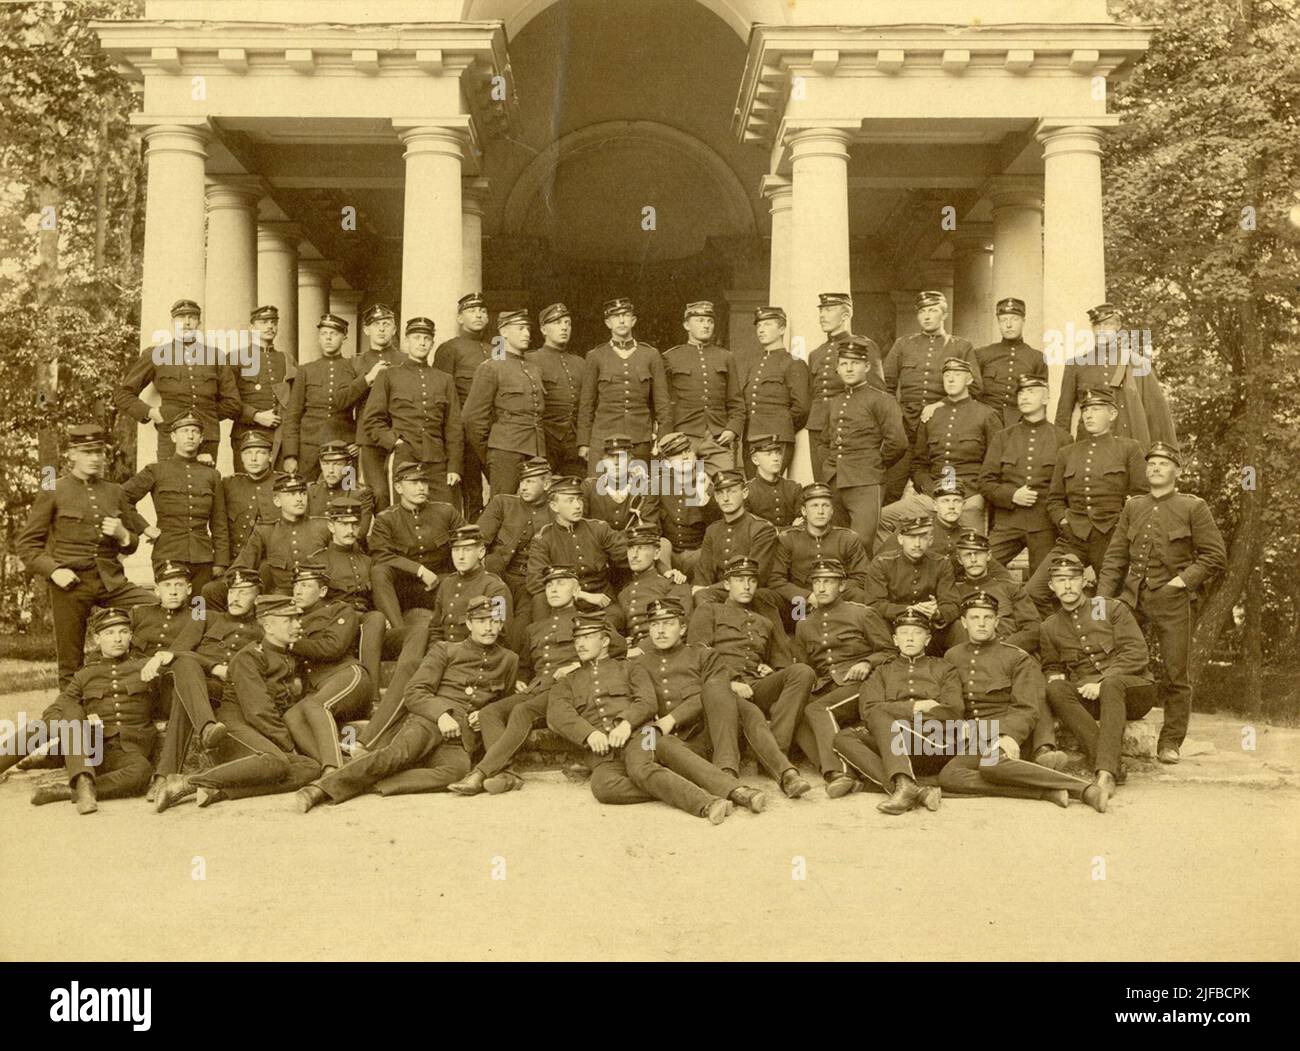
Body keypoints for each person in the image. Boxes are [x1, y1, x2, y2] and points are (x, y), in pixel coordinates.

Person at [294, 595, 517, 808]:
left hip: (462, 735)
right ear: (469, 624)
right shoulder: (446, 650)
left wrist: (485, 712)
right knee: (395, 756)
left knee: (456, 772)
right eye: (481, 621)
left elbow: (502, 704)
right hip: (428, 721)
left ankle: (370, 783)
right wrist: (441, 715)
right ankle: (319, 789)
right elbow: (415, 691)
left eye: (494, 621)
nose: (488, 627)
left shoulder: (508, 660)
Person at [1097, 441, 1227, 764]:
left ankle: (1170, 743)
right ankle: (1113, 731)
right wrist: (1101, 598)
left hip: (1172, 600)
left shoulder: (1192, 507)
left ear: (1177, 472)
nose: (1155, 468)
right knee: (1116, 660)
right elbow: (1115, 556)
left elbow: (1215, 556)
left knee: (1175, 673)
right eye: (1151, 464)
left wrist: (1181, 581)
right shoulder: (1133, 507)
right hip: (1132, 598)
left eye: (1163, 464)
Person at [447, 566, 626, 797]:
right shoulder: (534, 629)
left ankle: (480, 773)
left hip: (567, 689)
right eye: (550, 585)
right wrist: (521, 680)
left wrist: (576, 666)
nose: (553, 589)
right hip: (537, 688)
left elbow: (620, 647)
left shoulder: (589, 622)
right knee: (489, 712)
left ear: (576, 590)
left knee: (522, 711)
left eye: (561, 584)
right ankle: (506, 773)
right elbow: (525, 666)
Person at [544, 614, 737, 824]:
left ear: (605, 641)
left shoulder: (629, 668)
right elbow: (556, 712)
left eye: (588, 637)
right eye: (577, 639)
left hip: (643, 734)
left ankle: (706, 803)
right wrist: (589, 734)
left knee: (640, 770)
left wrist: (626, 723)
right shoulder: (568, 681)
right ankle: (678, 784)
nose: (580, 644)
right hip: (603, 752)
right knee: (602, 788)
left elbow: (646, 701)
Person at [16, 423, 154, 689]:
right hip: (70, 585)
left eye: (99, 452)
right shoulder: (54, 490)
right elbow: (27, 544)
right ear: (72, 454)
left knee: (153, 609)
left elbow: (131, 545)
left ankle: (131, 686)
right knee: (70, 662)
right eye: (87, 452)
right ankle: (72, 719)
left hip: (111, 581)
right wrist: (54, 570)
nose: (94, 458)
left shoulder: (115, 492)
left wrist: (124, 535)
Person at [154, 594, 322, 811]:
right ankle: (186, 783)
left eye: (297, 619)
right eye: (289, 620)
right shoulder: (249, 657)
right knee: (277, 761)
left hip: (261, 735)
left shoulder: (289, 657)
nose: (297, 625)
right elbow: (258, 711)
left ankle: (222, 790)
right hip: (234, 729)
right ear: (269, 627)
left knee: (311, 767)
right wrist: (289, 745)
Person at [686, 557, 815, 798]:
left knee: (802, 672)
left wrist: (771, 670)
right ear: (726, 585)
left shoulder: (764, 621)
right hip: (718, 687)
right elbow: (697, 654)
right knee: (750, 712)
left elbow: (781, 661)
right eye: (739, 580)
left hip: (754, 685)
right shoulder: (709, 610)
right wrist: (731, 681)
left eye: (752, 581)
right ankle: (783, 769)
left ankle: (778, 745)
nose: (746, 586)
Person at [627, 599, 770, 811]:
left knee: (717, 693)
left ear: (683, 628)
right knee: (662, 743)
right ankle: (738, 792)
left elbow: (713, 693)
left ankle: (724, 781)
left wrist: (672, 718)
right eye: (655, 625)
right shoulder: (639, 664)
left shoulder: (702, 654)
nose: (661, 631)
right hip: (675, 741)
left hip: (707, 735)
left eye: (668, 624)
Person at [1041, 554, 1157, 812]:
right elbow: (1052, 666)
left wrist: (1103, 680)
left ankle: (1105, 773)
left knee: (1112, 685)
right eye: (1060, 580)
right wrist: (1058, 680)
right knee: (1055, 689)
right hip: (1092, 695)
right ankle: (1114, 762)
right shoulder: (1050, 626)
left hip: (1134, 690)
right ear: (1051, 586)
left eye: (1073, 579)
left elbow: (1137, 653)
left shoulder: (1109, 608)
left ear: (1084, 581)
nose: (1068, 586)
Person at [14, 608, 157, 814]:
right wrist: (70, 728)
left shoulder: (146, 667)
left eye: (123, 632)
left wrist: (162, 657)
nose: (117, 639)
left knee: (141, 772)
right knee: (67, 711)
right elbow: (55, 709)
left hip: (128, 751)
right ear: (97, 638)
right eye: (109, 633)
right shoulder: (85, 675)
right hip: (91, 747)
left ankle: (70, 790)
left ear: (131, 635)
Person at [1026, 387, 1148, 615]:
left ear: (1112, 415)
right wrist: (1063, 521)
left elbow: (1140, 498)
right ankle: (1064, 638)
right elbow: (1054, 499)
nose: (1089, 415)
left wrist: (1122, 531)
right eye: (1086, 410)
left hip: (1111, 540)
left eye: (1096, 409)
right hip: (1073, 539)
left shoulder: (1128, 448)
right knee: (1034, 591)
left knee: (1111, 603)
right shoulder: (1067, 453)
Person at [147, 568, 262, 799]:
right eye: (232, 592)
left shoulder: (262, 629)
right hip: (195, 681)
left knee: (185, 685)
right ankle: (207, 727)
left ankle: (163, 777)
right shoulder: (205, 615)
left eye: (243, 592)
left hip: (226, 691)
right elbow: (178, 650)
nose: (235, 598)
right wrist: (212, 667)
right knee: (185, 665)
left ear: (257, 598)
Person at [792, 558, 894, 797]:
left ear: (842, 585)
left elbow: (890, 652)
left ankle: (838, 772)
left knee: (817, 710)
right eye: (817, 582)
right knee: (795, 713)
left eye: (828, 582)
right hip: (829, 686)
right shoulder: (804, 625)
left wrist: (867, 662)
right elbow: (806, 667)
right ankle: (844, 773)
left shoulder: (862, 614)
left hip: (864, 683)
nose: (822, 588)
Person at [877, 357, 999, 541]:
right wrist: (930, 490)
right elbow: (918, 464)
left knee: (971, 550)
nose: (950, 379)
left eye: (957, 375)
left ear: (970, 380)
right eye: (947, 375)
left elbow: (996, 464)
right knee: (882, 519)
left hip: (969, 497)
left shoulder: (986, 415)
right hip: (932, 497)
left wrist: (981, 495)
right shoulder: (931, 415)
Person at [881, 290, 982, 502]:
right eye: (922, 311)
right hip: (905, 428)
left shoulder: (961, 346)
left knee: (942, 491)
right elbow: (886, 387)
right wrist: (895, 416)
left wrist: (940, 405)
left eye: (933, 310)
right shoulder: (903, 344)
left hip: (942, 429)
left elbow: (975, 387)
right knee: (891, 489)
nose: (927, 316)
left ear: (944, 314)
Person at [114, 298, 240, 461]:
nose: (186, 323)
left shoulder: (215, 356)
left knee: (205, 484)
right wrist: (152, 413)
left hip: (206, 437)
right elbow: (123, 394)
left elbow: (233, 403)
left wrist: (208, 416)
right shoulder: (156, 354)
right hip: (170, 436)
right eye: (181, 318)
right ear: (173, 322)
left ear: (199, 323)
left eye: (192, 318)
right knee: (169, 483)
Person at [359, 316, 463, 507]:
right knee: (402, 514)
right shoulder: (388, 375)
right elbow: (373, 419)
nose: (421, 342)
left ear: (432, 343)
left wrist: (454, 466)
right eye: (416, 337)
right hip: (403, 457)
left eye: (426, 338)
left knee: (444, 512)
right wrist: (394, 443)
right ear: (406, 341)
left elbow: (453, 427)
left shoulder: (444, 379)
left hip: (437, 459)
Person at [977, 374, 1073, 577]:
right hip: (1007, 522)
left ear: (1046, 398)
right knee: (979, 566)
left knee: (1045, 583)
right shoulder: (1003, 437)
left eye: (1031, 391)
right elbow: (985, 482)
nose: (1024, 397)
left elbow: (1068, 488)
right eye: (1021, 392)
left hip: (1044, 526)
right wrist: (1012, 495)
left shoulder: (1063, 439)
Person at [121, 411, 228, 592]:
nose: (190, 436)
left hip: (203, 558)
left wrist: (221, 561)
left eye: (195, 431)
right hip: (168, 554)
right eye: (184, 431)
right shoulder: (156, 470)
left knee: (199, 610)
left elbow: (219, 522)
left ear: (201, 438)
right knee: (173, 606)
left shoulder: (211, 475)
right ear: (173, 436)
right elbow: (120, 498)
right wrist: (145, 528)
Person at [282, 563, 373, 773]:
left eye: (305, 585)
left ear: (322, 591)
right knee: (292, 716)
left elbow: (333, 648)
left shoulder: (339, 609)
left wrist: (292, 643)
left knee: (315, 706)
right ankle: (342, 765)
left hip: (347, 676)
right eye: (296, 586)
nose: (298, 591)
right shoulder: (289, 620)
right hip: (316, 689)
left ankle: (333, 767)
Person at [1054, 302, 1177, 451]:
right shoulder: (1076, 365)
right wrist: (1061, 455)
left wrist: (1162, 454)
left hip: (1130, 445)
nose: (1102, 330)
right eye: (1098, 326)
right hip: (1090, 447)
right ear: (1092, 329)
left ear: (1118, 327)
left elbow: (1156, 414)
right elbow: (1063, 415)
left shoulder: (1137, 364)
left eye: (1107, 324)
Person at [821, 336, 908, 543]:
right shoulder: (834, 402)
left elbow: (898, 442)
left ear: (867, 366)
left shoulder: (881, 400)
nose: (849, 369)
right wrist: (829, 468)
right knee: (835, 543)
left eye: (855, 363)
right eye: (843, 364)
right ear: (838, 368)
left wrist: (874, 463)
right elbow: (825, 441)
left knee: (861, 544)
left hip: (866, 482)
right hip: (835, 481)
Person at [577, 297, 673, 474]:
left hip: (640, 439)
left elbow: (662, 403)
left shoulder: (650, 355)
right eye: (616, 317)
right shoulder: (595, 356)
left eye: (626, 315)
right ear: (608, 323)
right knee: (600, 492)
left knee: (640, 492)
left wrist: (663, 439)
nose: (621, 320)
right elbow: (586, 404)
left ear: (633, 320)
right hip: (603, 439)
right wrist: (584, 442)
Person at [368, 461, 466, 630]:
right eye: (414, 483)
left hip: (438, 585)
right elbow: (380, 554)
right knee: (379, 572)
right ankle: (399, 633)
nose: (421, 487)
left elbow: (467, 540)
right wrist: (419, 570)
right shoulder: (386, 519)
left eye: (424, 482)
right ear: (399, 488)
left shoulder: (446, 512)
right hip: (403, 589)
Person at [462, 309, 547, 497]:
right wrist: (491, 452)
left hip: (536, 450)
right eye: (521, 328)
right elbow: (471, 418)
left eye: (528, 329)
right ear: (504, 332)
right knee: (504, 507)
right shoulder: (491, 367)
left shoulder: (534, 369)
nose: (527, 334)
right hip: (505, 451)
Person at [213, 473, 330, 603]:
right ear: (277, 501)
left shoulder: (323, 527)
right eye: (291, 495)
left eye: (302, 493)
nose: (299, 499)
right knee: (211, 591)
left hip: (316, 598)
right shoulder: (265, 531)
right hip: (280, 600)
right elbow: (242, 565)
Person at [525, 475, 628, 624]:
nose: (578, 506)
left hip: (602, 602)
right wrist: (581, 595)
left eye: (579, 499)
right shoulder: (543, 538)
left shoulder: (598, 528)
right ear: (554, 506)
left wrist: (665, 569)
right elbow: (535, 582)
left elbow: (628, 555)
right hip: (566, 606)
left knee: (614, 620)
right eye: (570, 501)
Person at [769, 483, 872, 628]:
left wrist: (832, 593)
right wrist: (808, 596)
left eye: (825, 506)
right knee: (764, 597)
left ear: (832, 511)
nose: (820, 511)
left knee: (860, 596)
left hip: (838, 599)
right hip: (801, 603)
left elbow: (861, 576)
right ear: (804, 511)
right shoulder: (789, 539)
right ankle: (784, 644)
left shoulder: (847, 538)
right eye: (814, 506)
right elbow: (776, 579)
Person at [478, 456, 554, 651]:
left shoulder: (555, 512)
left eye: (530, 481)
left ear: (546, 484)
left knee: (519, 628)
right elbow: (479, 541)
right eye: (522, 481)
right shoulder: (502, 503)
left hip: (530, 583)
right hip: (500, 577)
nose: (523, 487)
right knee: (500, 612)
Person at [807, 292, 884, 482]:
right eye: (821, 310)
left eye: (829, 310)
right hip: (818, 426)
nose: (822, 316)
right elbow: (812, 392)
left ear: (845, 315)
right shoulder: (816, 353)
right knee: (823, 484)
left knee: (849, 484)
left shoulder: (863, 346)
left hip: (848, 424)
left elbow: (878, 392)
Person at [661, 300, 744, 474]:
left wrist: (733, 429)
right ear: (686, 325)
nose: (706, 325)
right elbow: (662, 401)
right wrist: (667, 437)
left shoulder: (725, 357)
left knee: (726, 485)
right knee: (681, 492)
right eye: (699, 320)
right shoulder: (671, 357)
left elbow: (736, 401)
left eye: (710, 321)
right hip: (683, 435)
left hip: (717, 437)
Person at [433, 293, 493, 517]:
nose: (478, 315)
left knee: (502, 490)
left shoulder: (495, 349)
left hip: (492, 432)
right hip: (464, 435)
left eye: (483, 311)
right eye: (471, 311)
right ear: (459, 318)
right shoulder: (450, 349)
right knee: (471, 494)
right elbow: (442, 394)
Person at [281, 313, 360, 480]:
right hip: (308, 449)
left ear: (344, 337)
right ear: (319, 338)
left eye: (334, 334)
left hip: (344, 448)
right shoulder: (306, 370)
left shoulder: (353, 368)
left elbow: (364, 411)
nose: (328, 338)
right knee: (305, 497)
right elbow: (292, 415)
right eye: (324, 334)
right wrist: (290, 455)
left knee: (346, 496)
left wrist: (358, 441)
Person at [691, 469, 780, 617]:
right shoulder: (713, 530)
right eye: (720, 493)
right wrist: (701, 588)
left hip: (751, 592)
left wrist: (707, 588)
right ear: (716, 498)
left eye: (731, 492)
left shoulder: (761, 528)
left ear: (744, 493)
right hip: (719, 593)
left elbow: (758, 574)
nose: (725, 498)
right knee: (694, 595)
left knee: (704, 596)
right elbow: (703, 572)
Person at [734, 307, 810, 474]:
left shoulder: (793, 363)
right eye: (759, 325)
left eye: (767, 324)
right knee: (754, 489)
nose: (761, 330)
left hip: (776, 438)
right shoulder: (753, 363)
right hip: (751, 437)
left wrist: (782, 425)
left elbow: (802, 408)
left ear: (782, 329)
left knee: (771, 487)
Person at [861, 515, 961, 641]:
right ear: (900, 539)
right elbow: (874, 604)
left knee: (958, 628)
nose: (917, 544)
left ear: (930, 541)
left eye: (923, 538)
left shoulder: (941, 563)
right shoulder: (882, 563)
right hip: (893, 628)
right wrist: (909, 609)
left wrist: (937, 613)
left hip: (929, 628)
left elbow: (952, 604)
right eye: (912, 537)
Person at [346, 302, 403, 509]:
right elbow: (342, 403)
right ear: (366, 329)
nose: (381, 329)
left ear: (394, 329)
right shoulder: (355, 363)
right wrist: (367, 379)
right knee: (378, 493)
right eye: (375, 324)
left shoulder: (405, 360)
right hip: (369, 438)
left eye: (386, 324)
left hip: (400, 435)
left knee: (401, 490)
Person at [528, 302, 588, 477]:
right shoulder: (530, 359)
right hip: (544, 441)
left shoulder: (580, 363)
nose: (564, 328)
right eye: (557, 323)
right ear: (543, 330)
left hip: (573, 442)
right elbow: (500, 362)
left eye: (567, 323)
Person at [427, 525, 512, 643]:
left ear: (481, 551)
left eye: (467, 550)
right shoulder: (447, 583)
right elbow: (435, 629)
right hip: (443, 654)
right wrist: (436, 652)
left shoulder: (494, 587)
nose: (460, 556)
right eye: (456, 550)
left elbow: (500, 635)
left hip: (475, 658)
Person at [973, 297, 1048, 426]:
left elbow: (1040, 399)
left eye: (1014, 319)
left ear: (1023, 321)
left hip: (1019, 423)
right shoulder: (982, 354)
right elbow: (972, 392)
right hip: (985, 422)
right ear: (998, 323)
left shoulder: (1037, 358)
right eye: (1003, 320)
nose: (1008, 325)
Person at [654, 431, 721, 577]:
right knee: (662, 544)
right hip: (667, 557)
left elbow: (717, 526)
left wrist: (704, 498)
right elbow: (651, 524)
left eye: (688, 451)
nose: (685, 457)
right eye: (677, 454)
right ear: (667, 463)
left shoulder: (706, 483)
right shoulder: (658, 486)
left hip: (697, 554)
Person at [233, 304, 291, 458]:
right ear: (252, 327)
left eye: (273, 322)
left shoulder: (286, 359)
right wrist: (255, 416)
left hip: (280, 437)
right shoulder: (236, 358)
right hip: (247, 434)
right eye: (263, 322)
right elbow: (227, 399)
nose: (270, 326)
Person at [617, 526, 693, 644]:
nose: (634, 555)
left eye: (641, 548)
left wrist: (643, 647)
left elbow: (681, 627)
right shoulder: (624, 593)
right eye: (631, 549)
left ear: (656, 553)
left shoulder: (672, 584)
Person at [221, 431, 281, 565]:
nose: (253, 458)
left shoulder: (283, 484)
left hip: (273, 562)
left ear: (270, 456)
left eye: (260, 452)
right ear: (241, 457)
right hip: (237, 561)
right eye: (248, 453)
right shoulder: (228, 485)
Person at [306, 440, 375, 542]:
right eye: (325, 464)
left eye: (337, 464)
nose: (330, 470)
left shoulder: (361, 493)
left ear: (348, 465)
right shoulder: (311, 490)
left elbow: (358, 535)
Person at [744, 434, 803, 527]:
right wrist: (789, 528)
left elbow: (802, 522)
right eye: (768, 454)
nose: (776, 458)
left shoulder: (793, 488)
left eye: (778, 453)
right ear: (755, 460)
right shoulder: (747, 491)